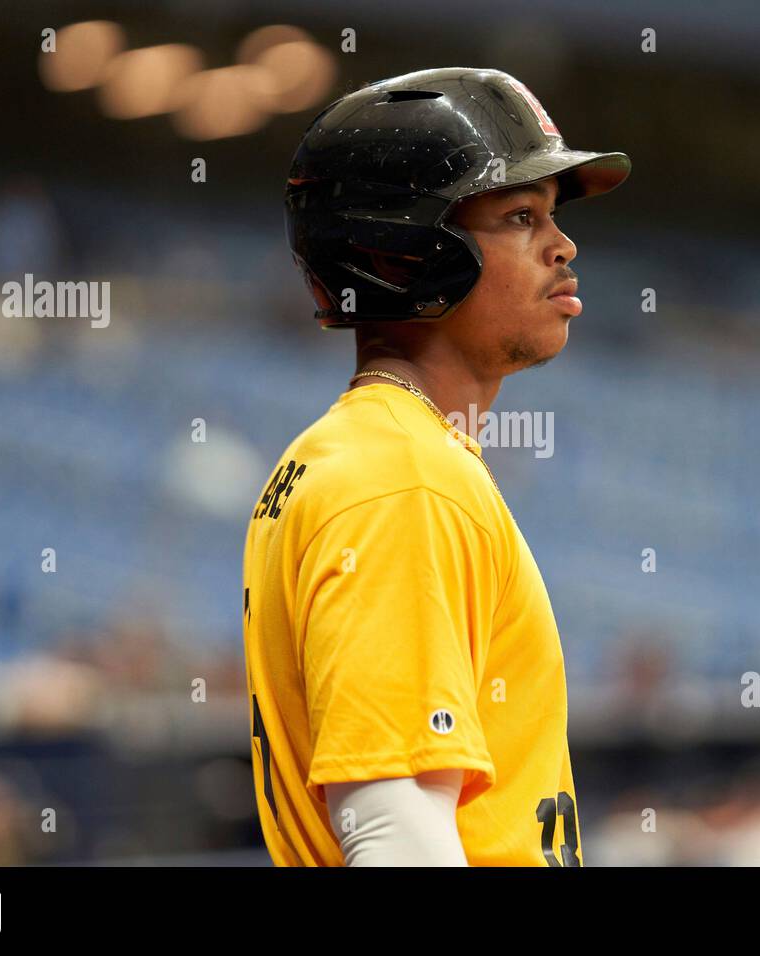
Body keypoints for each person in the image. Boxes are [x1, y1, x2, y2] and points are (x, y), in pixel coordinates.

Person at [242, 67, 630, 865]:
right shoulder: (401, 481)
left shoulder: (360, 454)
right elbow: (395, 830)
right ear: (410, 253)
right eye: (520, 215)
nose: (563, 244)